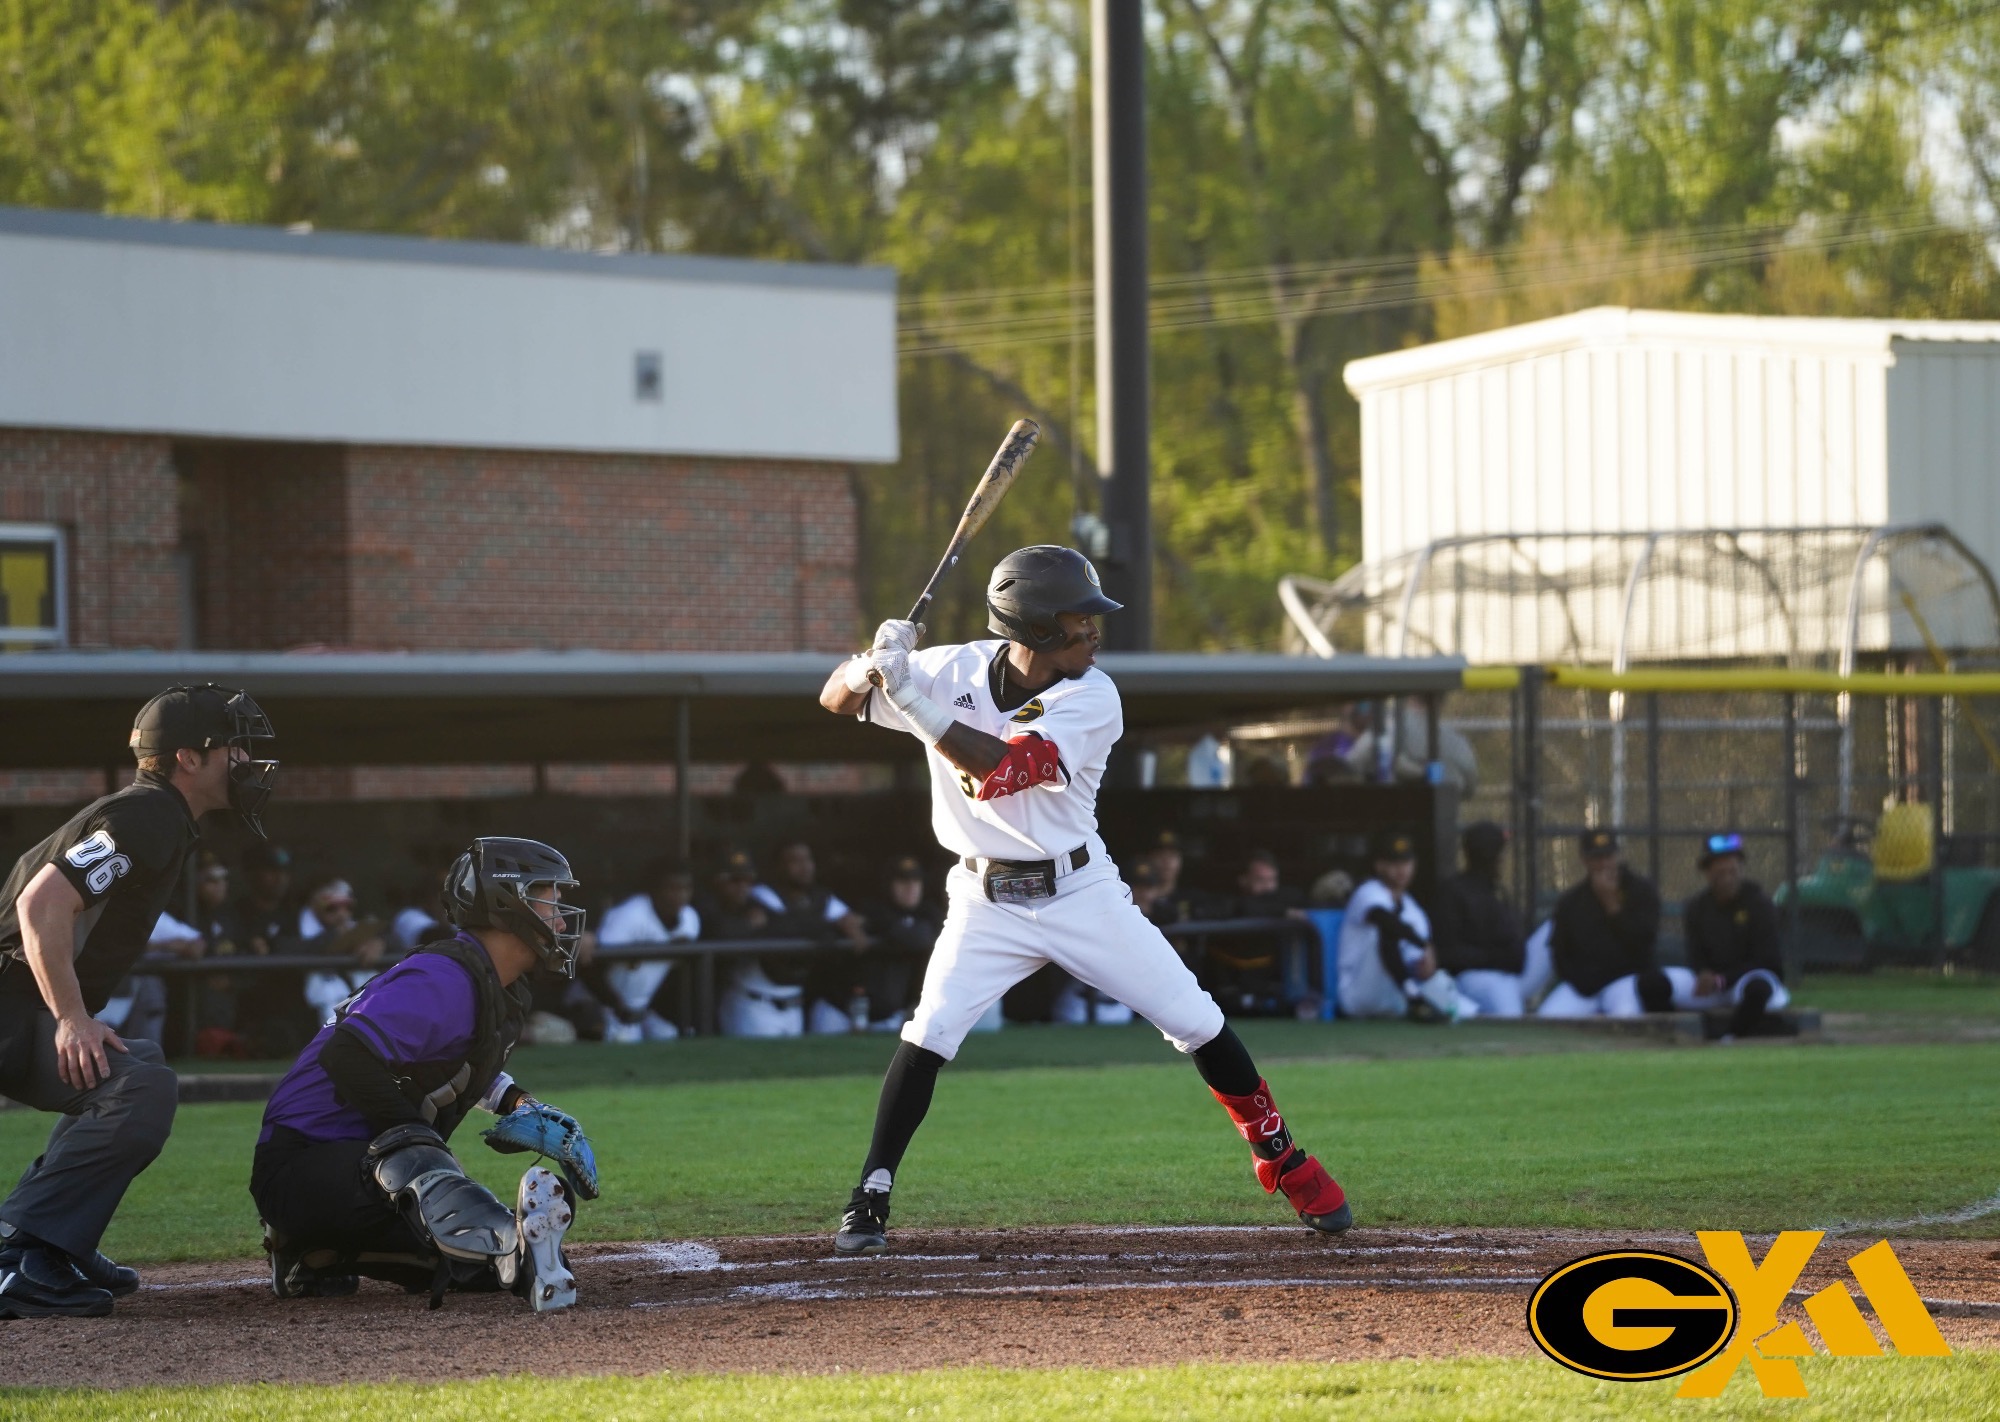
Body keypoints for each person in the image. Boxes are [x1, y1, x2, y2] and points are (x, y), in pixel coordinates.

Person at [817, 544, 1351, 1254]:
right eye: (1079, 619)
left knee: (1196, 1019)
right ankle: (870, 1194)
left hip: (1079, 889)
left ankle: (1282, 1159)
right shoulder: (950, 669)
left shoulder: (1093, 695)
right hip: (983, 897)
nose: (1094, 630)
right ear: (1036, 627)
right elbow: (834, 700)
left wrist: (908, 697)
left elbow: (1000, 771)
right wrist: (869, 665)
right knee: (929, 1033)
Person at [0, 684, 277, 1318]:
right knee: (140, 1087)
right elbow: (42, 903)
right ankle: (28, 1252)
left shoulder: (157, 814)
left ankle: (46, 1240)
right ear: (189, 757)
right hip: (10, 1006)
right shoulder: (149, 813)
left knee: (137, 1063)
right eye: (234, 748)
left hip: (14, 1005)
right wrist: (72, 1019)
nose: (246, 761)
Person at [250, 838, 599, 1311]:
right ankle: (510, 1242)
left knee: (474, 1263)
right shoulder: (445, 977)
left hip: (353, 1173)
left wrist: (520, 1103)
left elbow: (446, 1063)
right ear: (507, 904)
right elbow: (345, 1054)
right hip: (303, 1164)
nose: (560, 920)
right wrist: (422, 1147)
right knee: (425, 1166)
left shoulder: (488, 982)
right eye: (549, 901)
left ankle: (307, 1254)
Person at [1670, 833, 1792, 1036]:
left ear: (1741, 870)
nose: (1727, 877)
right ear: (1707, 873)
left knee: (1758, 989)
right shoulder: (1697, 906)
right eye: (1720, 872)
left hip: (1746, 982)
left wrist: (1722, 980)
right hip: (1713, 987)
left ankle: (1730, 1036)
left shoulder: (1759, 903)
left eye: (1733, 870)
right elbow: (1695, 953)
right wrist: (1703, 973)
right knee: (1659, 983)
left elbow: (1766, 960)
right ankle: (1668, 1035)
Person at [1538, 830, 1670, 1018]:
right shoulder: (1571, 901)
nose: (1604, 864)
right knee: (1548, 1018)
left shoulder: (1640, 890)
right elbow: (1559, 954)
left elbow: (1644, 943)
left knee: (1625, 1016)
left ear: (1618, 855)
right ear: (1584, 860)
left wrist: (1612, 905)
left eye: (1608, 856)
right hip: (1584, 988)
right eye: (1597, 858)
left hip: (1625, 983)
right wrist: (1580, 980)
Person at [1336, 831, 1464, 1020]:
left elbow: (1413, 960)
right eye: (1393, 863)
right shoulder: (1368, 892)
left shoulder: (1415, 911)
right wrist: (1424, 944)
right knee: (1389, 931)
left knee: (1453, 1005)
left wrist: (1424, 966)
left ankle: (1418, 1000)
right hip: (1358, 994)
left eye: (1406, 862)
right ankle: (1414, 997)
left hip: (1395, 1000)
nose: (1401, 869)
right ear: (1379, 865)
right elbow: (1386, 921)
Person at [754, 840, 871, 1035]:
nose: (804, 866)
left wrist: (849, 924)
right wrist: (830, 927)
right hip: (757, 1001)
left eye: (807, 859)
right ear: (778, 866)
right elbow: (784, 926)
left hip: (794, 1003)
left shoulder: (820, 896)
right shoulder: (762, 893)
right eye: (795, 861)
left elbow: (854, 921)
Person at [1432, 822, 1533, 1018]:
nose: (1503, 859)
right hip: (1476, 977)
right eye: (1500, 853)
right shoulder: (1452, 892)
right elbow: (1447, 955)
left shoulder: (1496, 891)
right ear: (1491, 856)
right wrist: (1495, 957)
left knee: (1550, 930)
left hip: (1512, 971)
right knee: (1510, 1014)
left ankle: (1557, 1009)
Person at [594, 858, 698, 1043]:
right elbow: (590, 968)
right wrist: (617, 1007)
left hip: (641, 1009)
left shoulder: (689, 919)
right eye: (673, 888)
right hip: (604, 1006)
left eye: (686, 888)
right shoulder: (630, 915)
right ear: (656, 889)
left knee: (670, 1037)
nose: (681, 895)